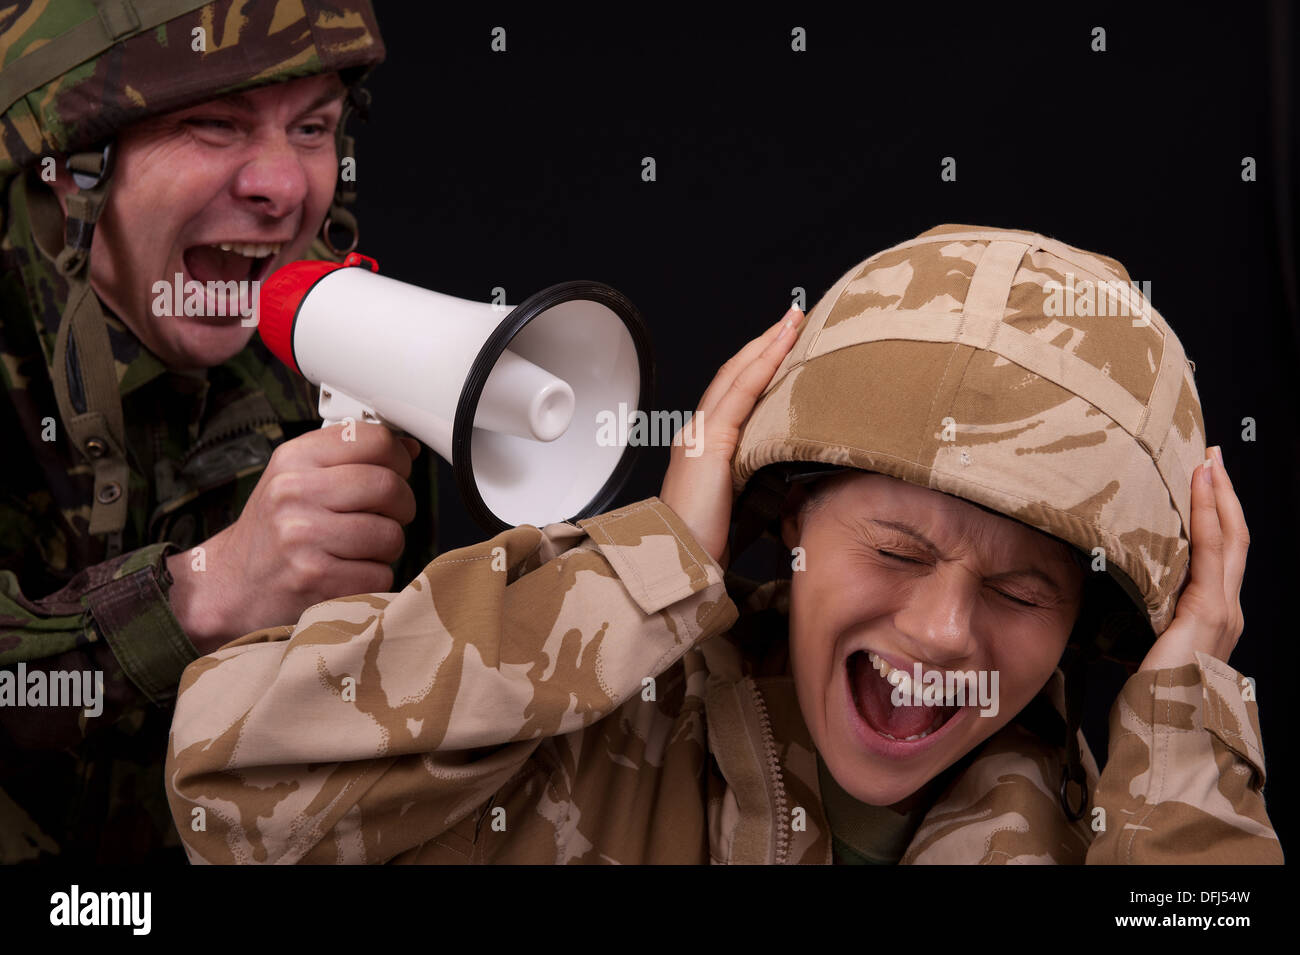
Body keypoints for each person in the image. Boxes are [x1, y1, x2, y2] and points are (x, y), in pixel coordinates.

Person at [164, 224, 1282, 863]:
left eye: (1021, 588)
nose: (944, 629)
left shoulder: (1126, 829)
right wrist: (650, 564)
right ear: (787, 515)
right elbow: (225, 789)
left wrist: (1184, 726)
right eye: (894, 549)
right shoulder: (589, 745)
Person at [0, 0, 439, 863]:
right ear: (70, 170)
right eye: (212, 124)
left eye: (312, 126)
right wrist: (200, 593)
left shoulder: (328, 365)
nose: (282, 187)